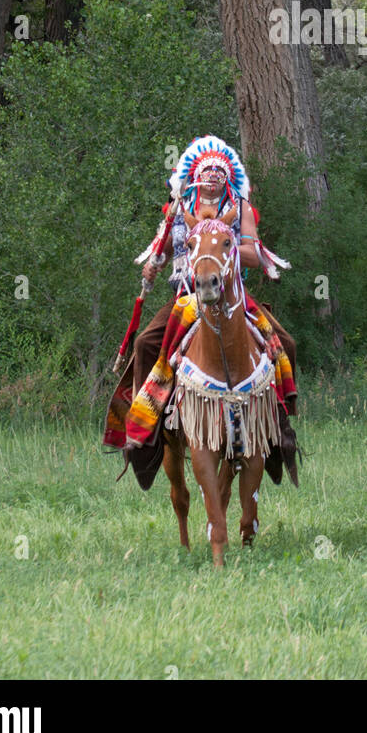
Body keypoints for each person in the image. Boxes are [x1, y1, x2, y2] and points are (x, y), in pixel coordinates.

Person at [104, 135, 298, 483]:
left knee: (285, 343)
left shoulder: (241, 209)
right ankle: (148, 423)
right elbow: (162, 251)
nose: (212, 177)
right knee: (145, 343)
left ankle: (280, 425)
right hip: (185, 295)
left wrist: (223, 245)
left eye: (218, 172)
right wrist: (153, 265)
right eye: (206, 171)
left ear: (228, 177)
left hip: (231, 294)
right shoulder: (177, 206)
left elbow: (255, 255)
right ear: (195, 174)